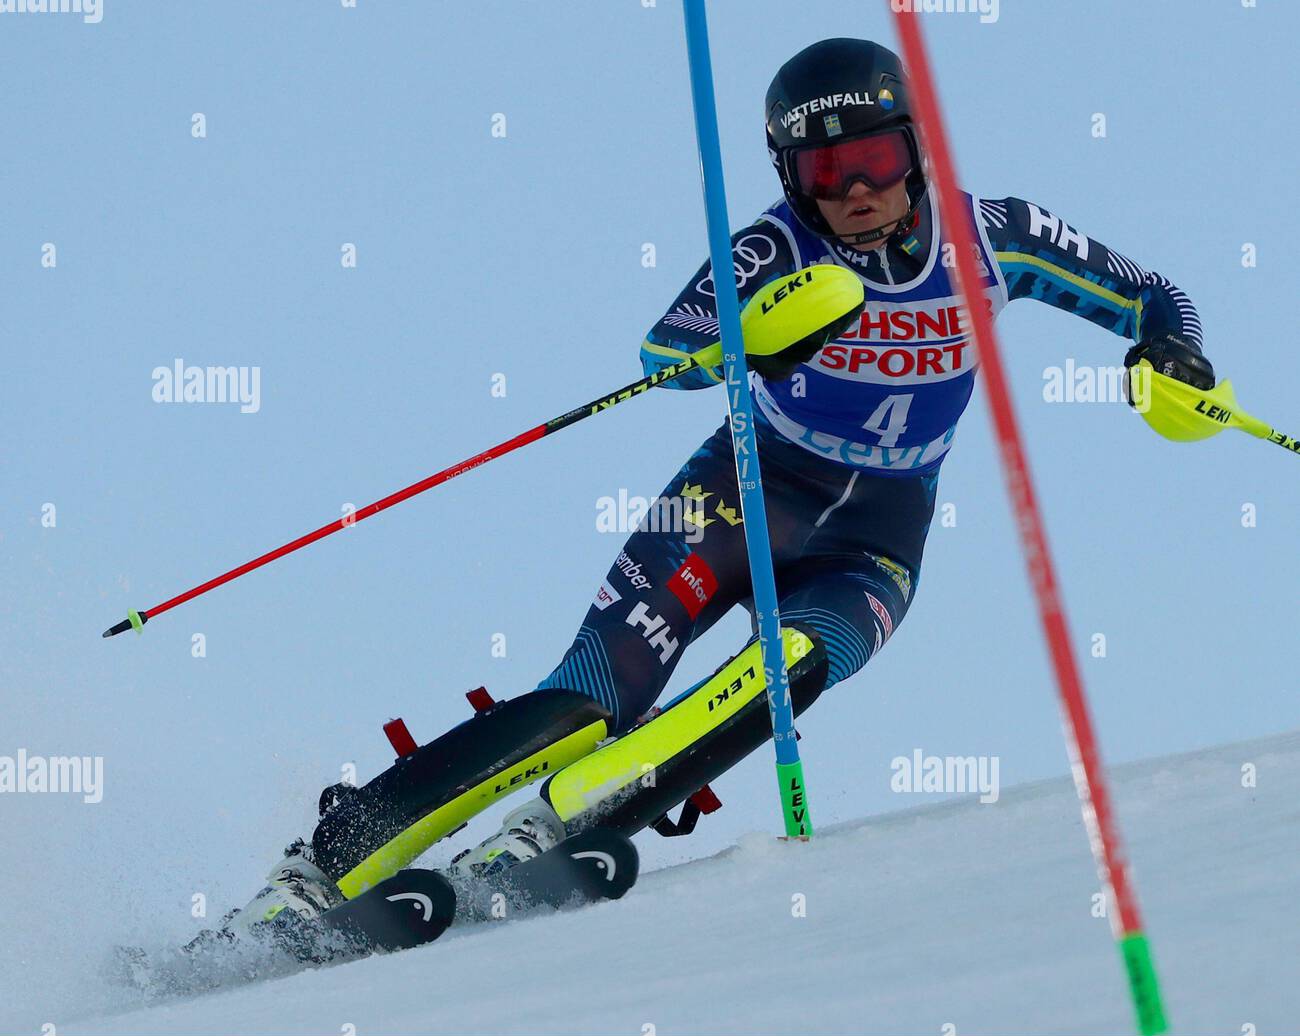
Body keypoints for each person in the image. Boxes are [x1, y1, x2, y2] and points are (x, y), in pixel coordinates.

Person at [233, 37, 1216, 930]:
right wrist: (763, 333)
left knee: (785, 671)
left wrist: (1171, 353)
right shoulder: (775, 245)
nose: (854, 192)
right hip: (739, 493)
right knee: (592, 694)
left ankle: (554, 827)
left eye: (873, 159)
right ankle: (323, 866)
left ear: (915, 148)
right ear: (790, 175)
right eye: (824, 172)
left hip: (876, 536)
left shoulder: (994, 234)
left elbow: (1152, 294)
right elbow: (671, 345)